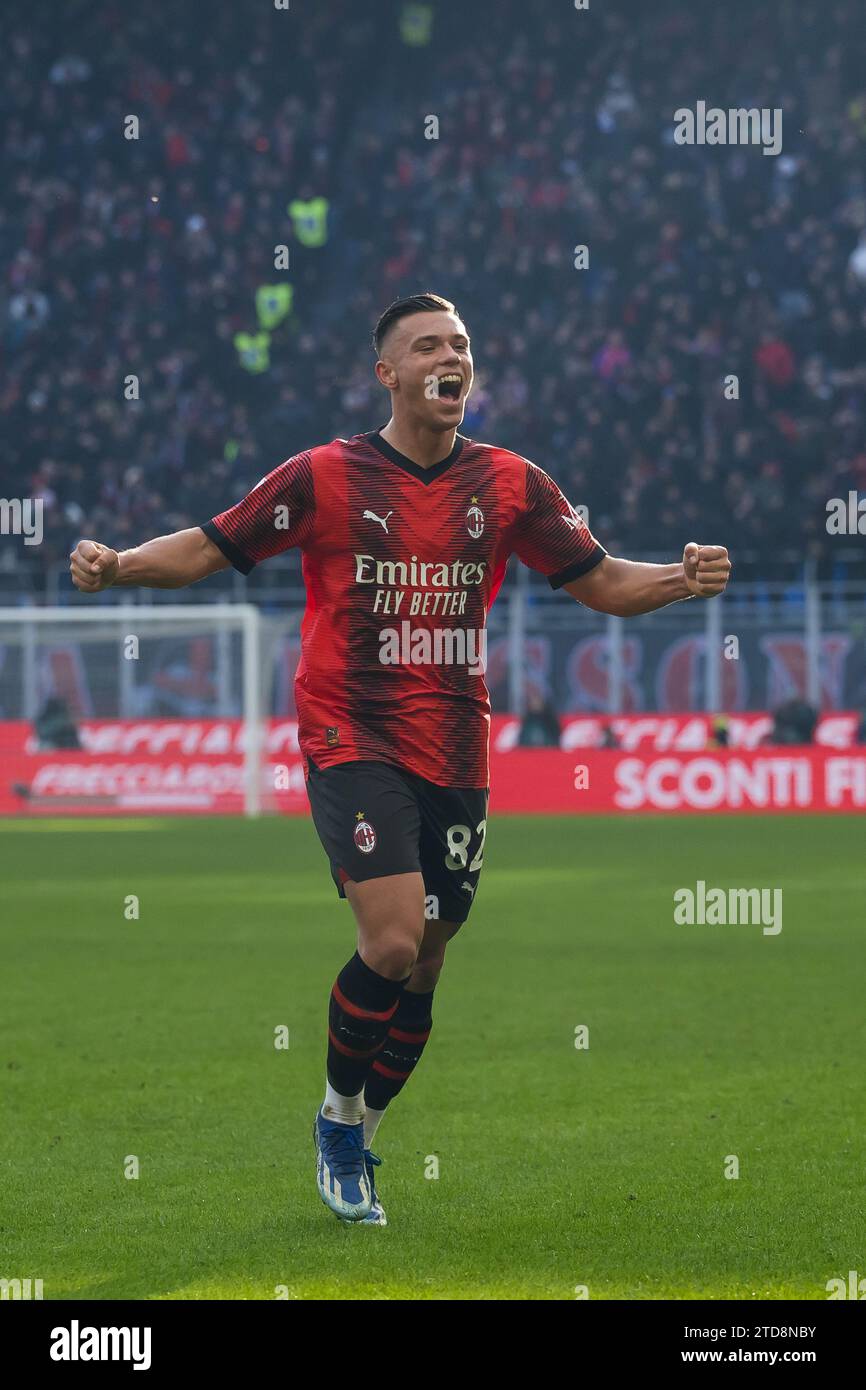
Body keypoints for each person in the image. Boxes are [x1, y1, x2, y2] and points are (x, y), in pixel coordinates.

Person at [69, 292, 732, 1226]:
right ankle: (338, 1127)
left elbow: (603, 582)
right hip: (352, 733)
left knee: (425, 958)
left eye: (460, 344)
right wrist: (117, 564)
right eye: (427, 346)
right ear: (388, 373)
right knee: (387, 939)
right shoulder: (323, 476)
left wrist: (680, 578)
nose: (448, 357)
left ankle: (364, 1127)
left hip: (457, 744)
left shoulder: (511, 485)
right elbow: (212, 548)